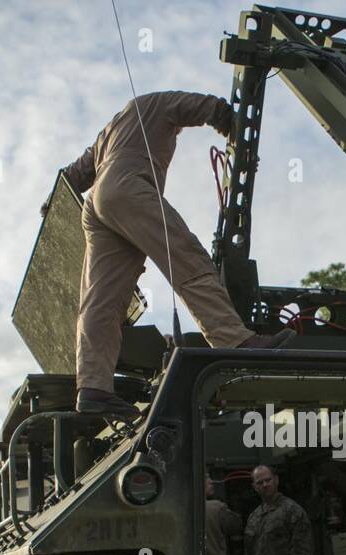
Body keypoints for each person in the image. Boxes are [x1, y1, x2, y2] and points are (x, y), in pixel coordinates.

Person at [45, 91, 295, 422]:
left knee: (101, 300)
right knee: (187, 259)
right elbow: (209, 107)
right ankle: (236, 343)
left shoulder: (108, 131)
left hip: (96, 205)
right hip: (128, 187)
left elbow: (71, 176)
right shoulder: (154, 102)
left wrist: (51, 205)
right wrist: (234, 132)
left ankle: (93, 389)